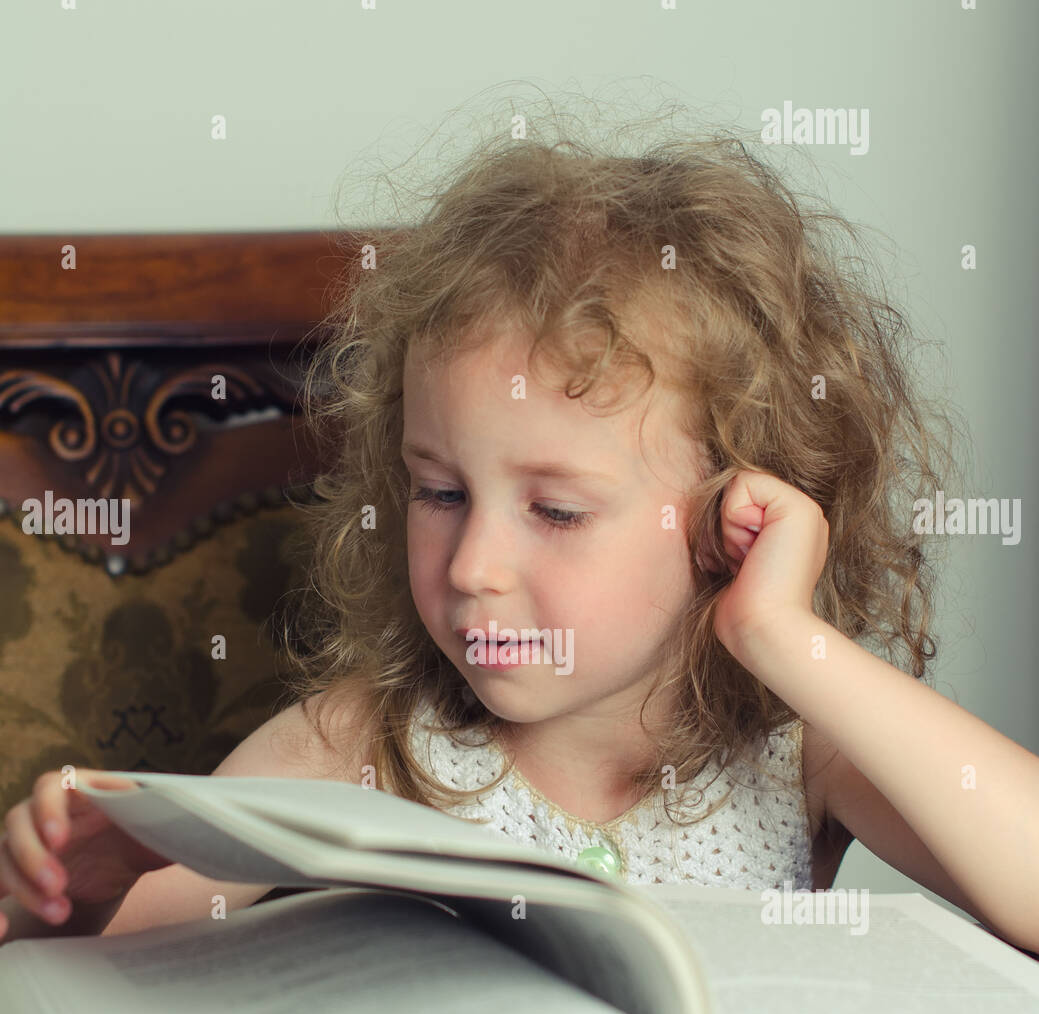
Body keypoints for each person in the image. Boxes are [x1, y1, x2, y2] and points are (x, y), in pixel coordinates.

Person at [2, 125, 1037, 951]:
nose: (471, 567)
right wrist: (67, 893)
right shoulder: (365, 742)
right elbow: (108, 952)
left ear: (734, 515)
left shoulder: (797, 753)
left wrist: (781, 635)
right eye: (439, 492)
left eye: (555, 511)